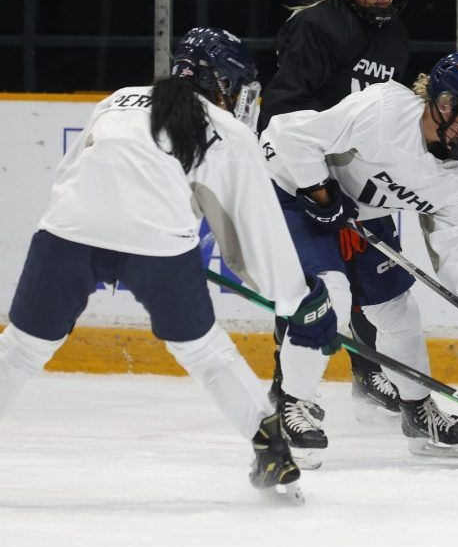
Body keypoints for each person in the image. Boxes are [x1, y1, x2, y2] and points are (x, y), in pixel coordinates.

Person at [0, 28, 339, 502]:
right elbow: (256, 228)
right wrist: (298, 297)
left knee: (20, 351)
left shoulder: (119, 99)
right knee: (205, 353)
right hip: (158, 245)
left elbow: (73, 171)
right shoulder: (225, 128)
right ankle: (272, 450)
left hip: (67, 231)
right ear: (220, 82)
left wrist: (106, 231)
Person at [259, 51, 458, 462]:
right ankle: (292, 406)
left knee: (397, 311)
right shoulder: (383, 110)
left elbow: (455, 239)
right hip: (292, 183)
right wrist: (320, 192)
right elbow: (290, 135)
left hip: (359, 207)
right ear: (443, 105)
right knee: (331, 297)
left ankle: (416, 411)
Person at [258, 0, 411, 432]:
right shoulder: (316, 27)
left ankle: (367, 372)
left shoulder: (395, 34)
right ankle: (286, 388)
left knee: (369, 278)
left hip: (356, 174)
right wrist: (314, 185)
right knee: (312, 283)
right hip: (302, 168)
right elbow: (285, 108)